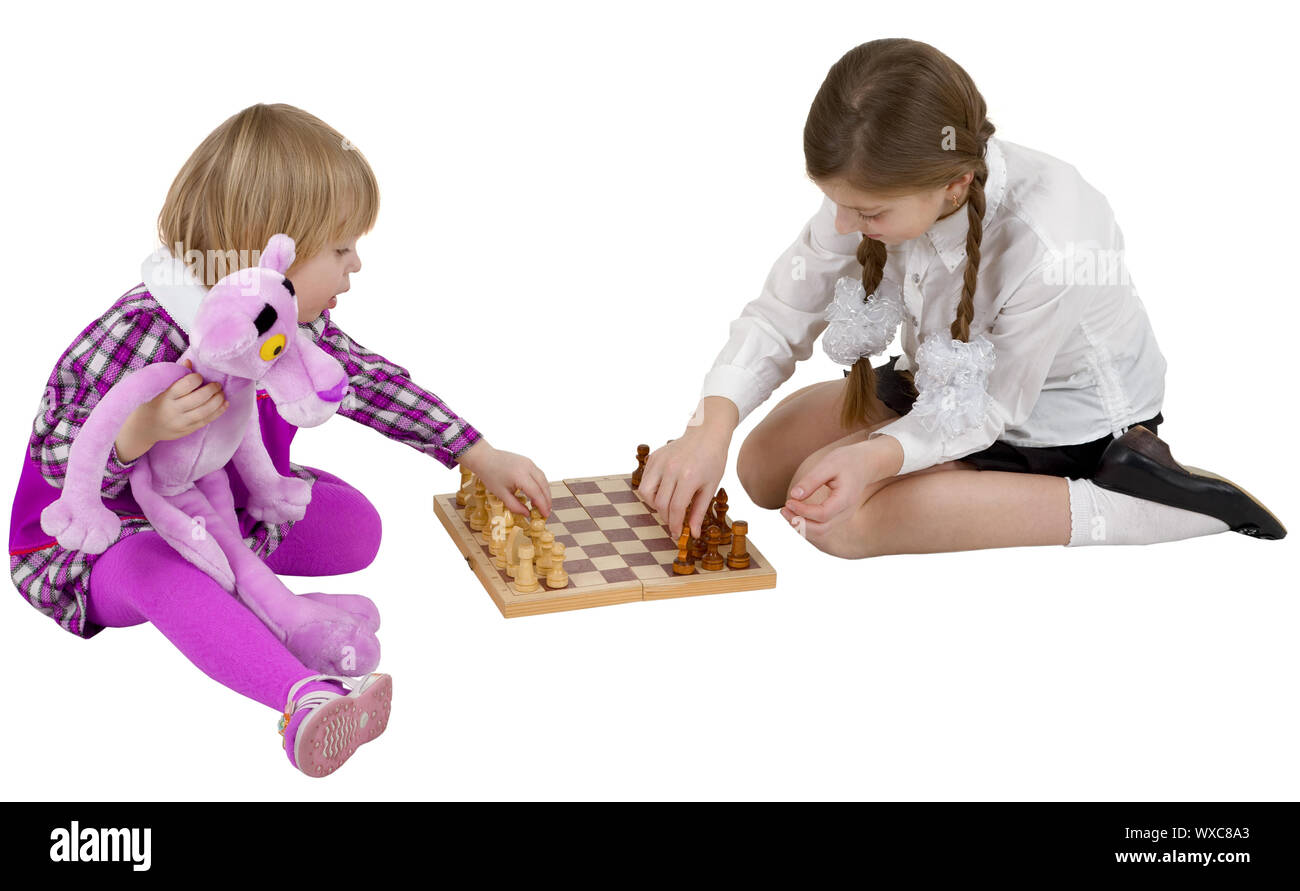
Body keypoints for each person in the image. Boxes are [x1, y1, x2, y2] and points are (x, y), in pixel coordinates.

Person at [7, 103, 552, 776]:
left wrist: (474, 450)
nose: (357, 266)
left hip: (222, 517)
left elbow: (372, 385)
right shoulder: (141, 329)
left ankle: (251, 594)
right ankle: (303, 698)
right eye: (342, 248)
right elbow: (58, 466)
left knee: (358, 529)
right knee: (155, 564)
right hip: (95, 546)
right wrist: (138, 431)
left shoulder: (287, 326)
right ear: (275, 249)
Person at [636, 38, 1285, 558]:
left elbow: (992, 406)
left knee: (833, 522)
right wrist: (708, 429)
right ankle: (939, 474)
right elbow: (783, 309)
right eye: (836, 201)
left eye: (863, 211)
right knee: (760, 466)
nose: (839, 225)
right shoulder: (884, 180)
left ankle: (1151, 505)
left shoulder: (1053, 236)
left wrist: (876, 461)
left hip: (1055, 422)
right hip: (940, 380)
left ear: (954, 185)